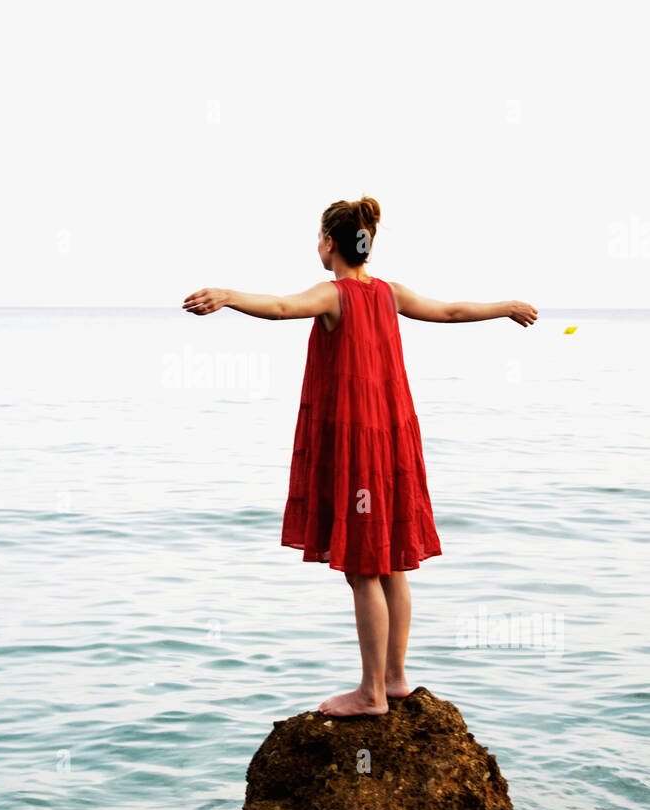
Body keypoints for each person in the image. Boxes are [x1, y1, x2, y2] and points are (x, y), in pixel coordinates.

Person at [182, 198, 538, 717]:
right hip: (393, 440)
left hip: (357, 443)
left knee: (363, 568)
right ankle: (394, 678)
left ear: (329, 243)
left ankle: (371, 694)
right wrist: (505, 307)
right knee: (393, 560)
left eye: (318, 239)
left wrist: (228, 295)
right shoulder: (389, 293)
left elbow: (281, 308)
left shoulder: (335, 294)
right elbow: (451, 312)